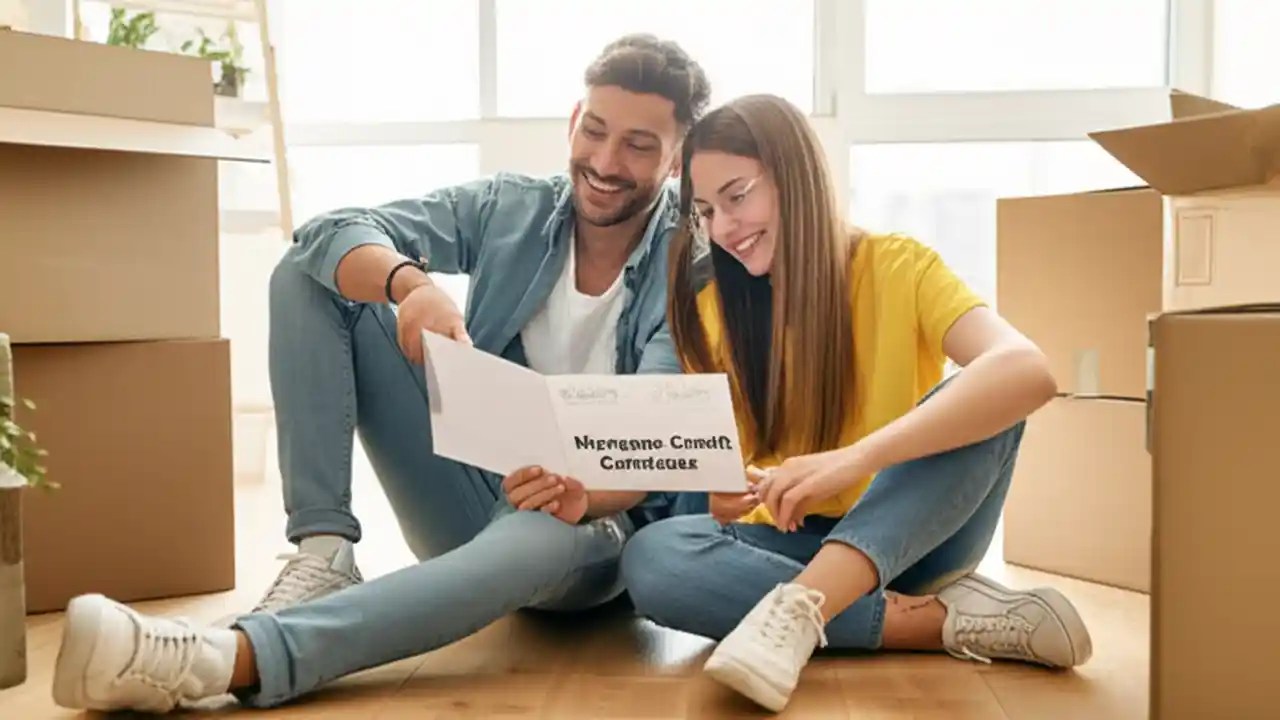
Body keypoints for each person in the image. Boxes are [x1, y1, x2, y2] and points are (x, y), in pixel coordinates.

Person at [48, 34, 711, 713]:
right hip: (472, 483)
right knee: (309, 276)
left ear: (678, 157)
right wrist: (409, 285)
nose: (604, 162)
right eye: (595, 131)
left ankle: (224, 660)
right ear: (574, 121)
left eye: (638, 145)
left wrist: (581, 490)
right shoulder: (515, 206)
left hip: (588, 527)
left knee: (545, 528)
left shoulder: (691, 261)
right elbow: (329, 230)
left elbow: (651, 439)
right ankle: (324, 550)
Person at [617, 94, 1093, 713]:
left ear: (796, 177)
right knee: (654, 558)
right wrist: (724, 491)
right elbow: (714, 476)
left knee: (986, 394)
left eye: (738, 196)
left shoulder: (900, 267)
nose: (723, 229)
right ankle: (935, 622)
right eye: (706, 211)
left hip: (917, 541)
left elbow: (1029, 370)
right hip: (794, 545)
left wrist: (851, 460)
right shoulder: (713, 314)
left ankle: (798, 613)